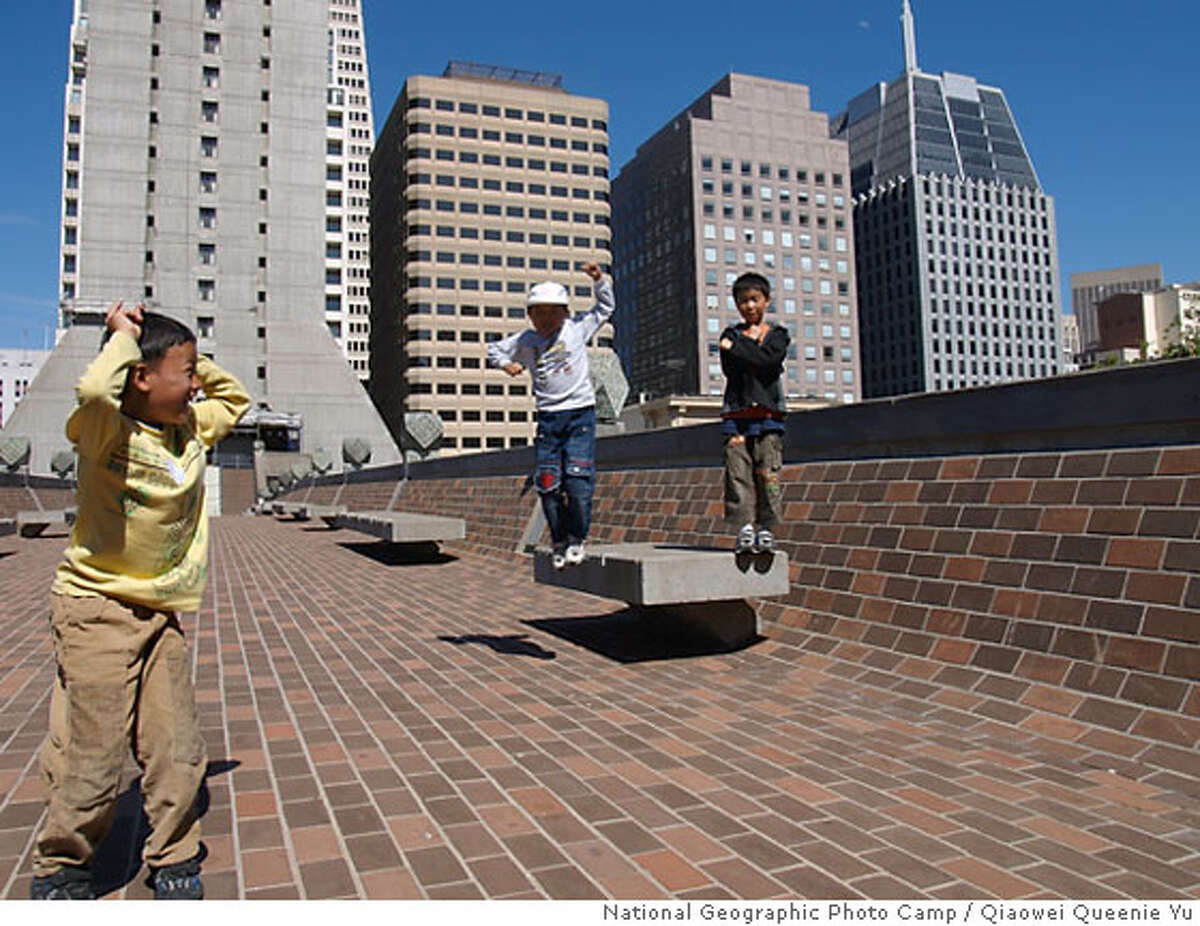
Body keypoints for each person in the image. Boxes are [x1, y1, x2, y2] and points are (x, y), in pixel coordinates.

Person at [31, 301, 251, 900]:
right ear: (141, 376)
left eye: (197, 370)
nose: (196, 381)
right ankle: (64, 861)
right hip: (94, 608)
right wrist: (122, 335)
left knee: (177, 745)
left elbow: (235, 403)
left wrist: (199, 363)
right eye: (185, 370)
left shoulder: (189, 428)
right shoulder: (106, 429)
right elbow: (96, 391)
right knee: (91, 749)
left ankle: (175, 852)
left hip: (160, 613)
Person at [488, 263, 615, 569]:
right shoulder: (526, 340)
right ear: (530, 316)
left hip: (579, 416)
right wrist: (507, 365)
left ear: (565, 312)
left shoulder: (576, 329)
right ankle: (559, 539)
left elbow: (605, 308)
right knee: (547, 483)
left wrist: (599, 280)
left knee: (578, 480)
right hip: (548, 419)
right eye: (539, 313)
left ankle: (577, 538)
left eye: (553, 313)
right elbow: (494, 350)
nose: (546, 320)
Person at [719, 272, 790, 554]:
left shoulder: (778, 334)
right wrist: (749, 352)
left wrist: (738, 349)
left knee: (768, 473)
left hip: (770, 416)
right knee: (737, 473)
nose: (749, 306)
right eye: (743, 301)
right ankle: (745, 529)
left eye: (754, 300)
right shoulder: (730, 333)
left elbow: (770, 361)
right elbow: (732, 367)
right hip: (736, 417)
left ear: (766, 301)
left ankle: (767, 529)